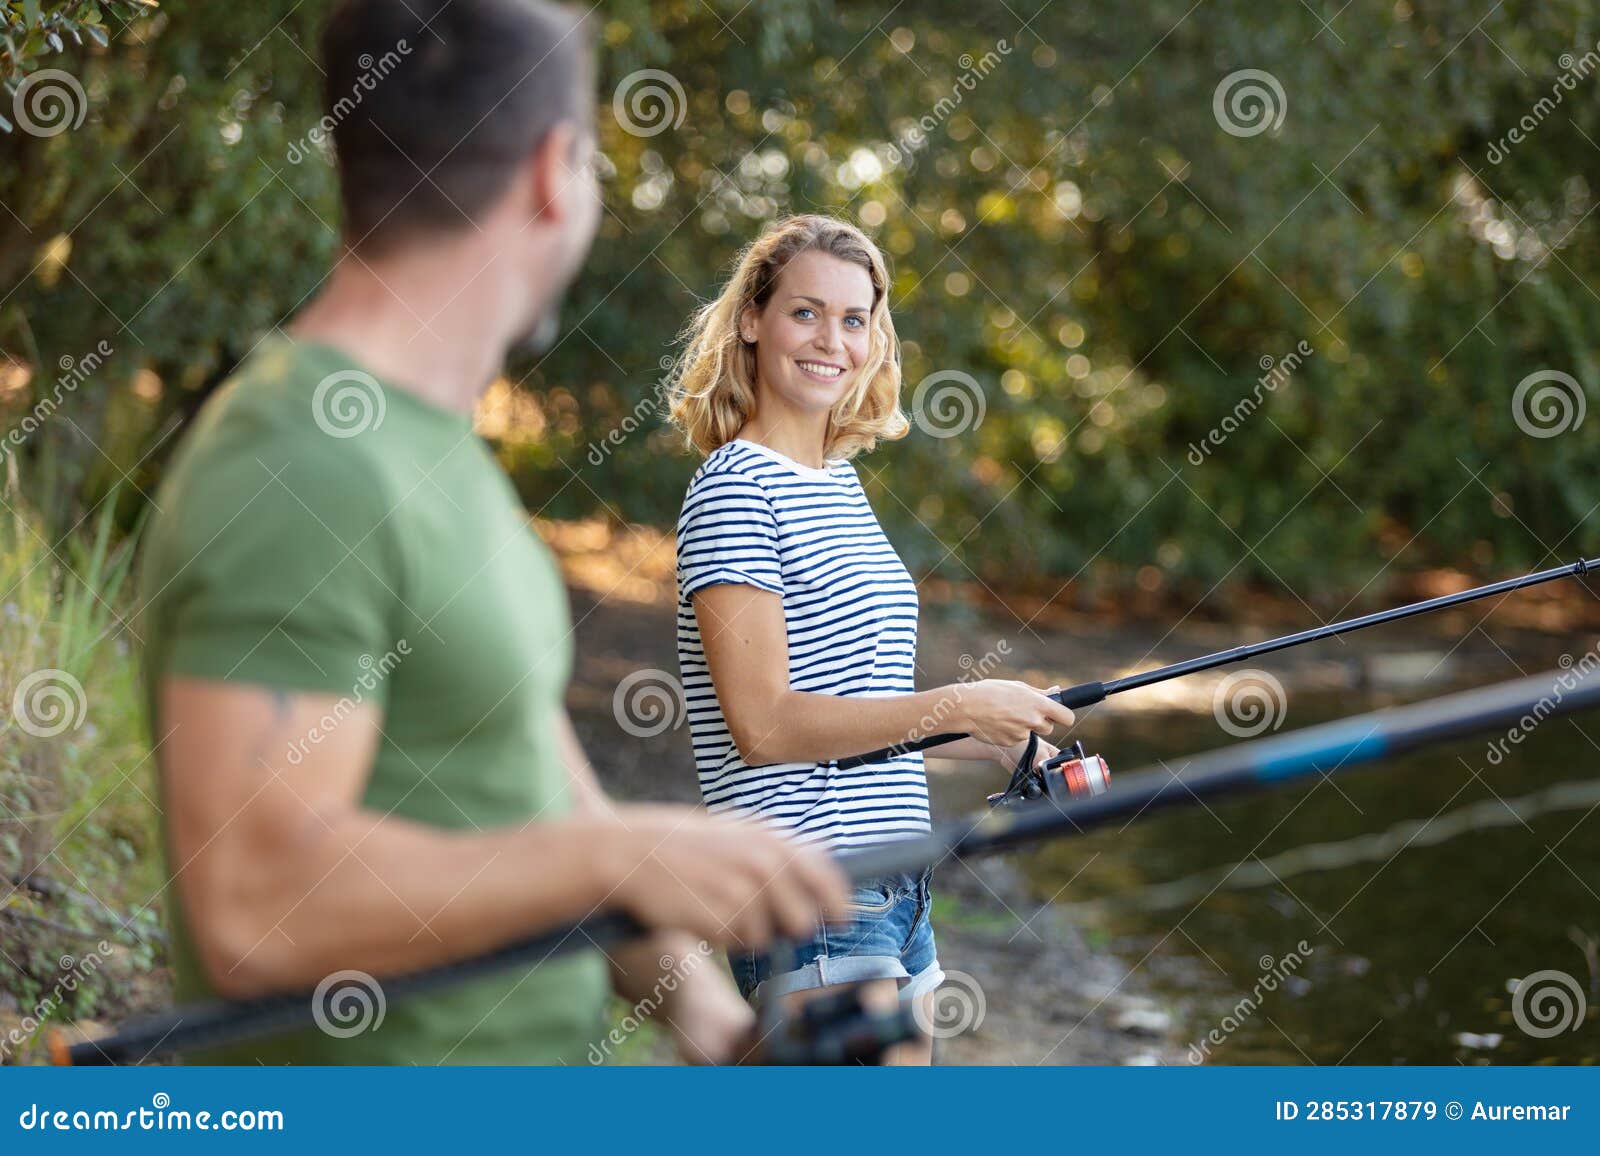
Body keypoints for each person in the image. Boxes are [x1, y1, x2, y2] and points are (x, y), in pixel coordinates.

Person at [136, 0, 846, 1066]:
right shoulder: (302, 461)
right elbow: (255, 899)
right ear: (556, 172)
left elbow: (516, 762)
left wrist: (708, 1015)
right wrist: (619, 855)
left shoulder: (429, 448)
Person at [667, 214, 1077, 1063]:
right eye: (806, 313)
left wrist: (996, 738)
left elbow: (863, 708)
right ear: (753, 318)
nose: (833, 341)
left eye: (855, 319)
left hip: (894, 884)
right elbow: (766, 727)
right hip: (812, 889)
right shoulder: (736, 488)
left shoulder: (837, 481)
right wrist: (957, 702)